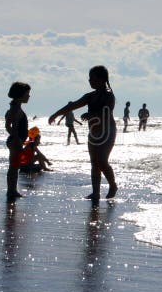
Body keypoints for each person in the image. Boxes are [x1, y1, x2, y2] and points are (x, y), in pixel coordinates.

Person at [49, 65, 117, 203]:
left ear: (103, 79)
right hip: (94, 132)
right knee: (94, 163)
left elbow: (106, 112)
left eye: (93, 78)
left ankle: (113, 185)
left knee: (102, 161)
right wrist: (56, 114)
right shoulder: (90, 96)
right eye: (89, 78)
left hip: (107, 132)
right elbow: (72, 106)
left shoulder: (108, 95)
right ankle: (95, 193)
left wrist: (91, 114)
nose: (90, 81)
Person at [5, 81, 31, 202]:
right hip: (16, 141)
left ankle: (12, 190)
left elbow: (8, 126)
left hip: (15, 140)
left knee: (14, 167)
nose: (29, 96)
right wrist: (17, 139)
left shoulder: (14, 107)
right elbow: (12, 126)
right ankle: (11, 190)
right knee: (14, 167)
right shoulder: (15, 109)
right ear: (21, 94)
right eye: (27, 93)